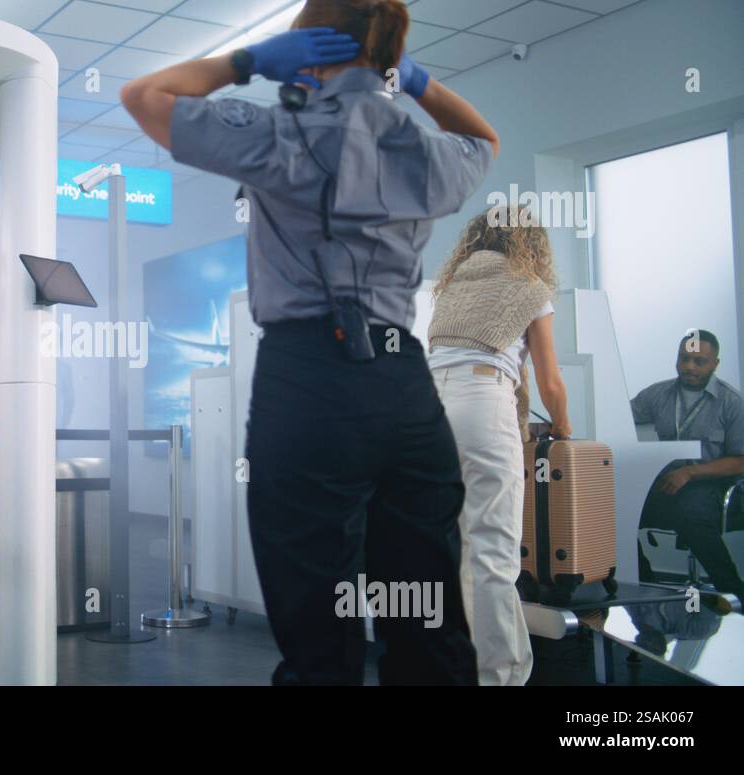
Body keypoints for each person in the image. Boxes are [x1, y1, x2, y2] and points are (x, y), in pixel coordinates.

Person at [122, 0, 499, 685]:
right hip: (407, 392)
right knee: (428, 630)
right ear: (389, 55)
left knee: (318, 636)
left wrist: (243, 63)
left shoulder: (278, 134)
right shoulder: (425, 149)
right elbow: (486, 140)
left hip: (309, 385)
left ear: (308, 53)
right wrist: (415, 82)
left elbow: (143, 96)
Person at [428, 205, 571, 686]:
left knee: (450, 552)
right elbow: (551, 383)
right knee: (492, 553)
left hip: (428, 415)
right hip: (481, 407)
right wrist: (565, 430)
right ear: (529, 241)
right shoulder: (530, 288)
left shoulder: (451, 288)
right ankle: (502, 678)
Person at [634, 330, 744, 601]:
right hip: (665, 481)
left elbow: (741, 460)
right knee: (610, 514)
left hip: (712, 484)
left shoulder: (731, 403)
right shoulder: (657, 395)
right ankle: (647, 588)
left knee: (691, 514)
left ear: (715, 364)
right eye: (684, 359)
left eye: (699, 361)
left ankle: (734, 593)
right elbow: (615, 417)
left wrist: (690, 472)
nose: (689, 367)